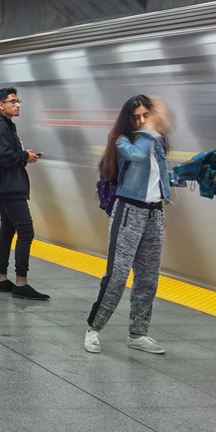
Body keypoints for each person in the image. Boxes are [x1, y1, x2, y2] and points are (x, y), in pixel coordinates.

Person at [86, 95, 175, 355]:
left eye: (145, 115)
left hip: (155, 214)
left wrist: (197, 170)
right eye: (137, 117)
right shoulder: (124, 141)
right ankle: (93, 329)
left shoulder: (157, 141)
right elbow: (136, 157)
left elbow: (159, 176)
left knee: (148, 279)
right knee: (117, 276)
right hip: (129, 211)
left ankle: (138, 333)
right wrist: (152, 127)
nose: (142, 120)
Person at [0, 86, 47, 299]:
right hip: (9, 186)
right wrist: (23, 157)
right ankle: (21, 283)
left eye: (18, 102)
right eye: (13, 101)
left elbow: (5, 154)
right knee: (26, 231)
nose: (17, 105)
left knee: (8, 231)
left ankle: (1, 279)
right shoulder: (0, 126)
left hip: (6, 185)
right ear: (1, 105)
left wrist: (23, 155)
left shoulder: (2, 124)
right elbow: (2, 156)